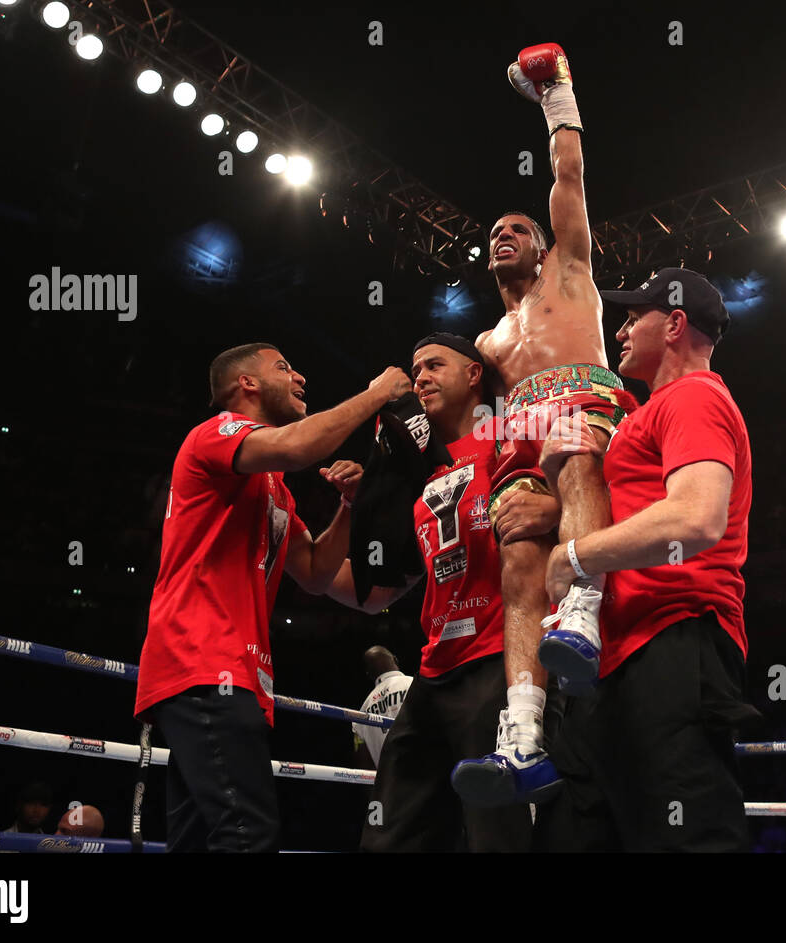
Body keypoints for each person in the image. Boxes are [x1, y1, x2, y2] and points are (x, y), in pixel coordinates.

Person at [455, 43, 639, 806]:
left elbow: (568, 174)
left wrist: (554, 95)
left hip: (582, 404)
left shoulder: (570, 269)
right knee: (518, 566)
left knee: (568, 436)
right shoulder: (488, 343)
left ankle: (586, 609)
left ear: (542, 244)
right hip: (518, 431)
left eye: (516, 229)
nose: (504, 236)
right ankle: (523, 734)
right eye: (493, 233)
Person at [134, 342, 410, 852]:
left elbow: (315, 572)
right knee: (248, 834)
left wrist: (349, 506)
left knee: (200, 840)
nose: (300, 376)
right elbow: (299, 445)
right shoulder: (216, 432)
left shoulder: (272, 489)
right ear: (248, 385)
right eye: (284, 367)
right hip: (202, 662)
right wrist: (374, 396)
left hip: (225, 672)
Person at [535, 268, 756, 851]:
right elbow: (624, 510)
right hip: (612, 655)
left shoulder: (695, 396)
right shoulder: (642, 413)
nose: (623, 329)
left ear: (676, 324)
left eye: (637, 317)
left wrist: (573, 555)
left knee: (687, 839)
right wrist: (560, 471)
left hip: (674, 637)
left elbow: (696, 518)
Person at [323, 333, 547, 850]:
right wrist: (303, 552)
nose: (419, 376)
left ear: (473, 375)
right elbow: (376, 592)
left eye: (433, 365)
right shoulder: (421, 473)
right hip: (435, 668)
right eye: (414, 369)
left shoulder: (510, 440)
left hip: (500, 659)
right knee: (388, 833)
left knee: (498, 833)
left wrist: (554, 509)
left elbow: (580, 508)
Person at [351, 646, 412, 768]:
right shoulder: (415, 685)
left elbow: (363, 760)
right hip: (427, 774)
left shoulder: (362, 710)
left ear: (369, 675)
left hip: (388, 782)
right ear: (395, 659)